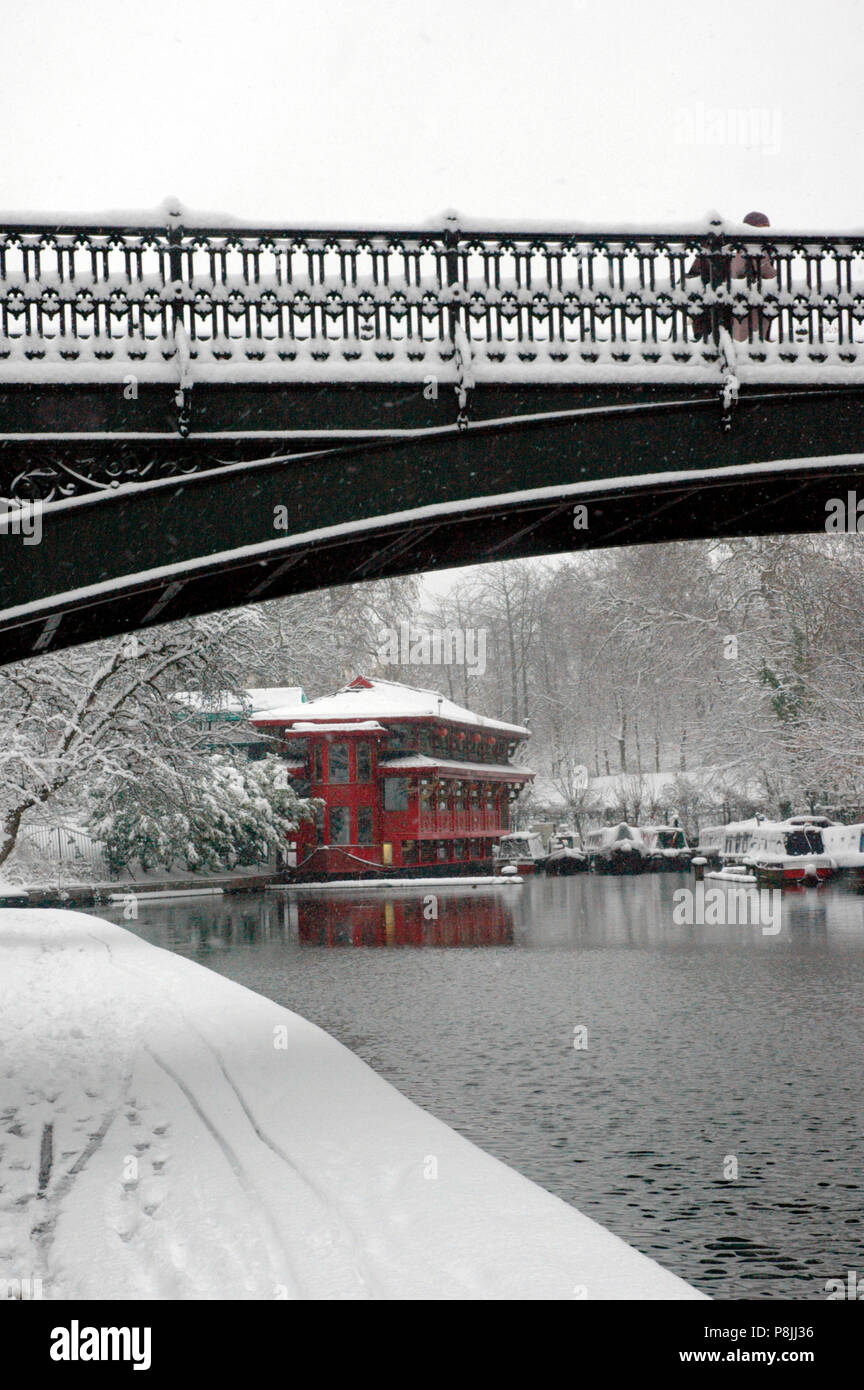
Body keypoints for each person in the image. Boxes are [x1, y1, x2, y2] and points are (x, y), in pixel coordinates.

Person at [686, 210, 776, 343]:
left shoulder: (756, 250)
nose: (763, 235)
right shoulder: (740, 250)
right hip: (724, 306)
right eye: (760, 229)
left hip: (727, 307)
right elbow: (765, 276)